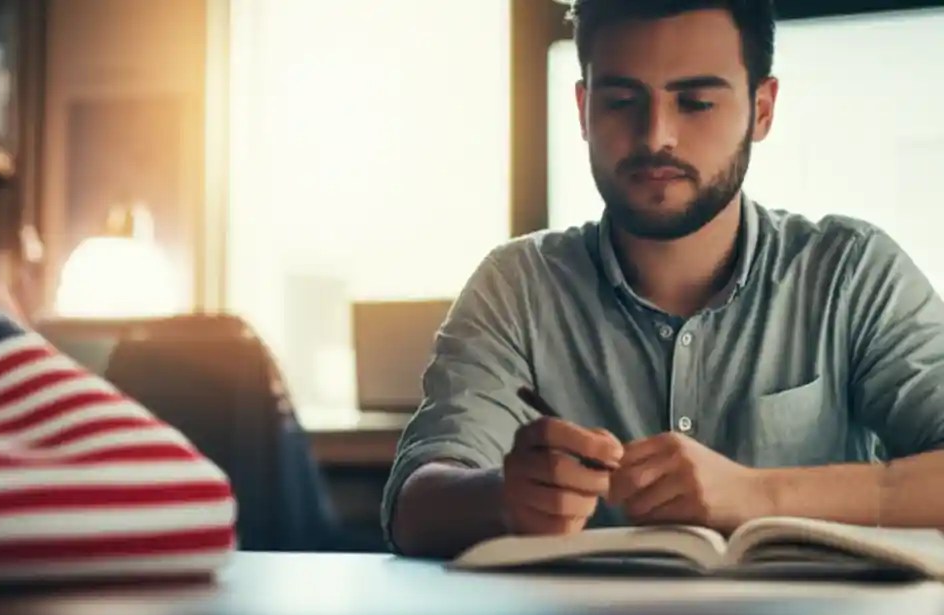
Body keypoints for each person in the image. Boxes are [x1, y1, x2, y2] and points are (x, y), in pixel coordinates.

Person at [385, 0, 944, 558]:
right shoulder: (517, 287)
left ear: (763, 109)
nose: (657, 136)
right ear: (582, 109)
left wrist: (758, 493)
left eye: (696, 102)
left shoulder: (853, 275)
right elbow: (413, 505)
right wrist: (504, 498)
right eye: (622, 101)